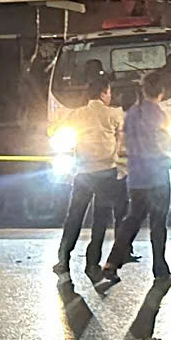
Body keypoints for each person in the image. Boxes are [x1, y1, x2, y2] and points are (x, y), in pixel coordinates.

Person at [97, 70, 171, 289]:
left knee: (132, 219)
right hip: (157, 177)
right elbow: (162, 144)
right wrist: (169, 158)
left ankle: (112, 262)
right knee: (158, 224)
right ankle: (160, 271)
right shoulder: (159, 115)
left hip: (136, 178)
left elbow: (123, 142)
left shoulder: (132, 113)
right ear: (161, 91)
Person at [52, 77, 126, 275]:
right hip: (107, 172)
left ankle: (63, 260)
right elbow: (122, 139)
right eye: (109, 92)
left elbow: (60, 133)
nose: (110, 96)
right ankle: (92, 263)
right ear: (103, 93)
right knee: (100, 218)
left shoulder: (77, 114)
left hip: (83, 173)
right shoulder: (114, 114)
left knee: (74, 216)